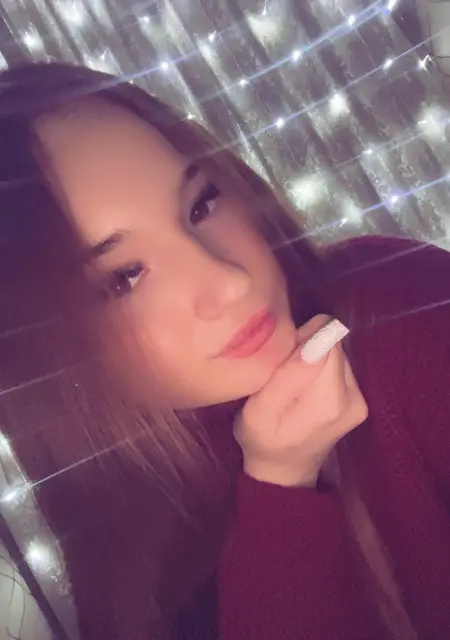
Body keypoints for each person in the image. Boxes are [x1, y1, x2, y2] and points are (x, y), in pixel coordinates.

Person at [0, 61, 449, 640]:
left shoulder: (389, 303)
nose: (230, 281)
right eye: (125, 277)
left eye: (201, 204)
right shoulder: (135, 588)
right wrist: (280, 488)